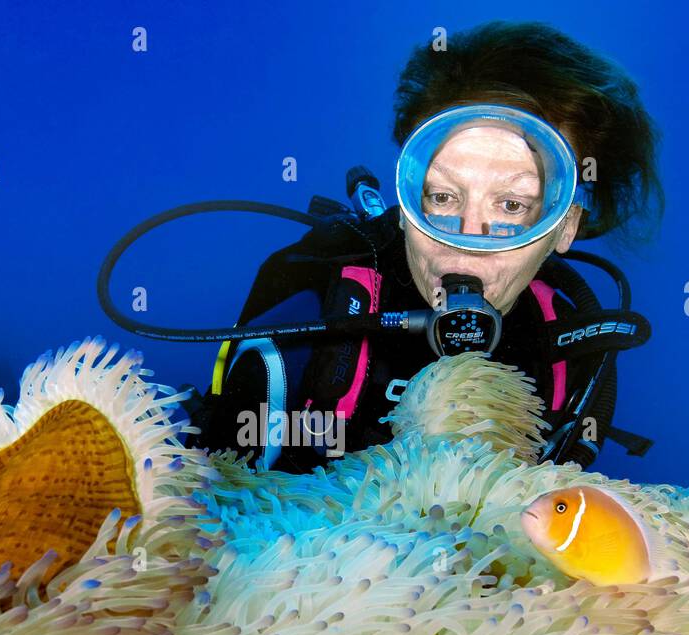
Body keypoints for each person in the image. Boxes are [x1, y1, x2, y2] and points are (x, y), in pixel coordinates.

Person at [187, 21, 663, 471]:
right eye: (442, 196)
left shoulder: (570, 342)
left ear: (565, 227)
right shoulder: (311, 292)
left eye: (513, 205)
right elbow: (219, 490)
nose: (467, 239)